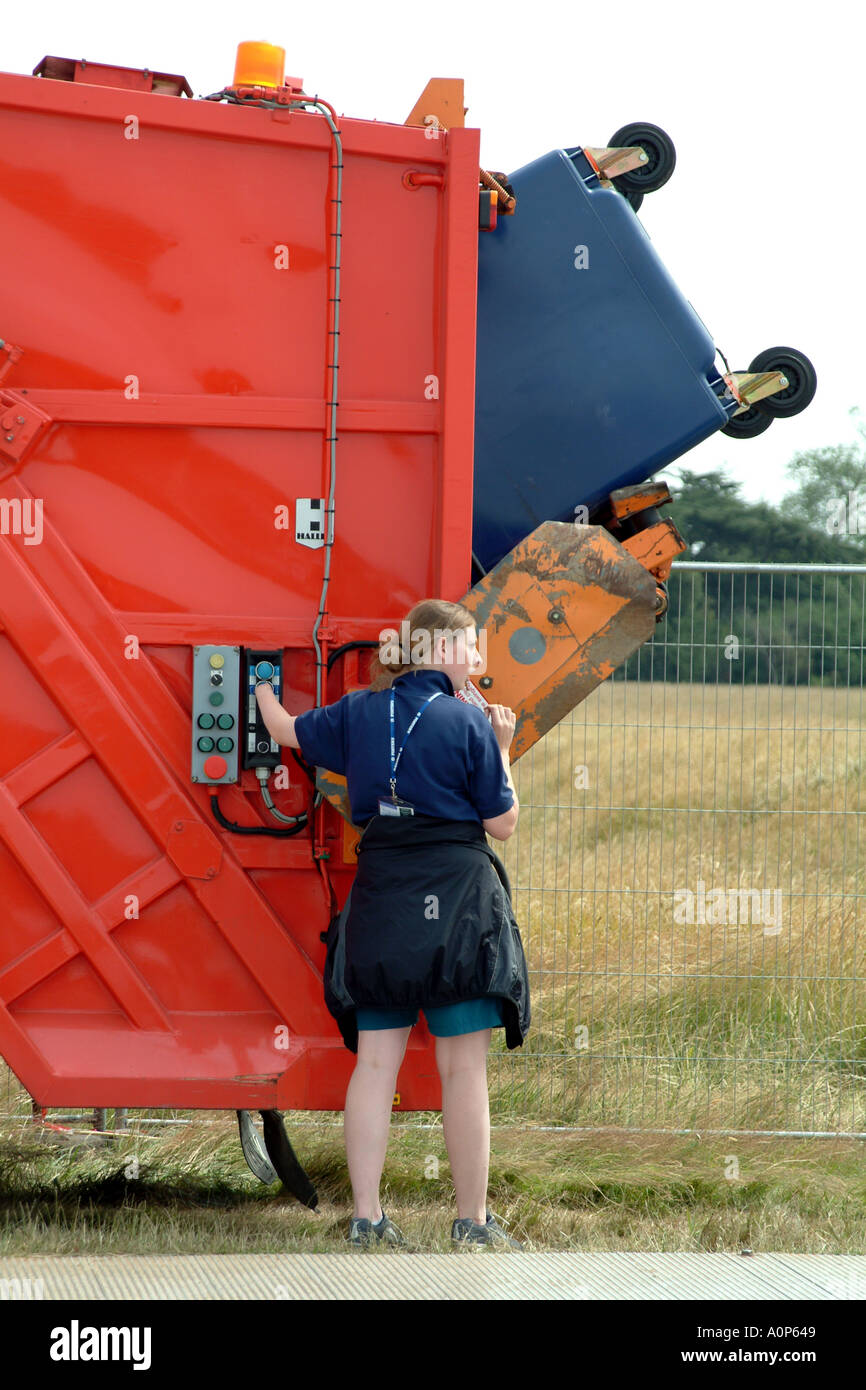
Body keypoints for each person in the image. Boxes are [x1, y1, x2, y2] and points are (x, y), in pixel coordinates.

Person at [253, 598, 530, 1250]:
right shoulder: (468, 723)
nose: (477, 661)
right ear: (438, 651)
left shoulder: (356, 710)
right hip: (459, 904)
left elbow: (286, 731)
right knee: (464, 1070)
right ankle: (473, 1224)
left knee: (375, 1066)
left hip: (382, 899)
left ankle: (368, 1219)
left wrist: (261, 683)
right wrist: (502, 747)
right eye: (470, 648)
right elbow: (504, 823)